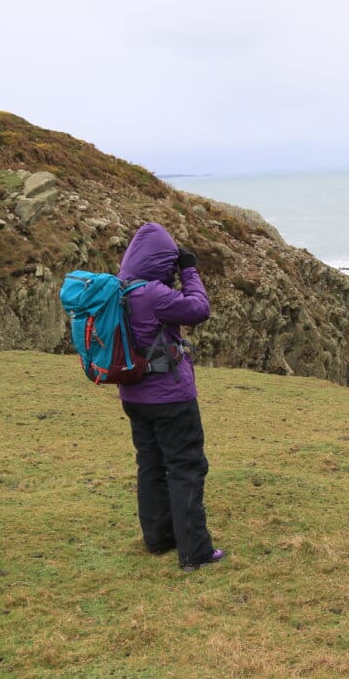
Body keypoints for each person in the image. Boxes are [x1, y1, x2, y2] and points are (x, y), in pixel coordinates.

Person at [117, 222, 224, 572]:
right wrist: (189, 270)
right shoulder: (152, 294)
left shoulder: (121, 289)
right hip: (171, 397)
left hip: (134, 395)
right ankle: (195, 552)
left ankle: (158, 538)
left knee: (150, 464)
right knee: (186, 467)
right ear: (163, 261)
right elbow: (198, 309)